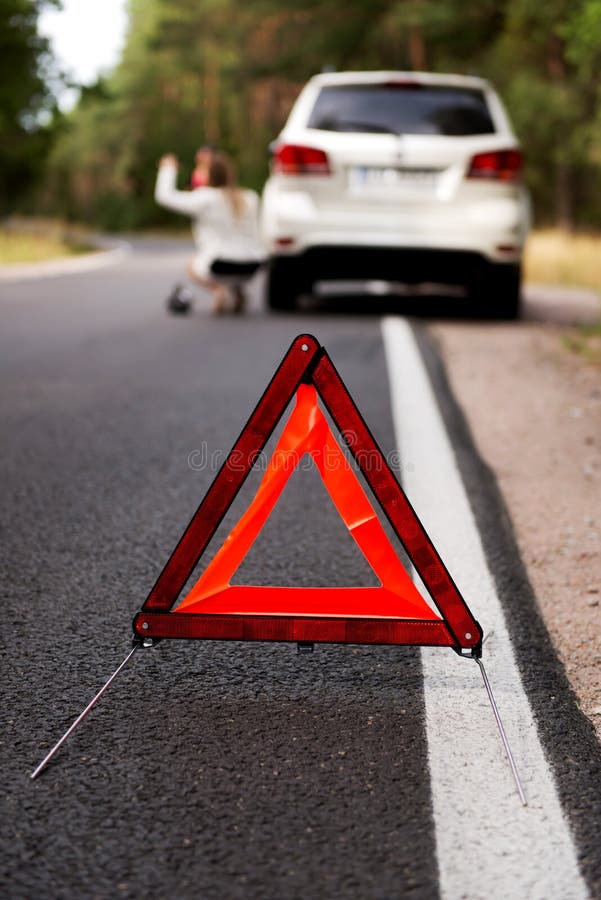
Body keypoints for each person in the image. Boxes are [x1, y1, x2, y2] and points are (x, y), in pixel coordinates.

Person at [155, 150, 265, 314]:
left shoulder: (206, 198)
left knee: (192, 264)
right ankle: (238, 292)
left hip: (219, 266)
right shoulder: (250, 197)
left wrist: (168, 169)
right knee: (236, 254)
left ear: (210, 175)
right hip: (252, 266)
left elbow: (165, 197)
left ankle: (218, 290)